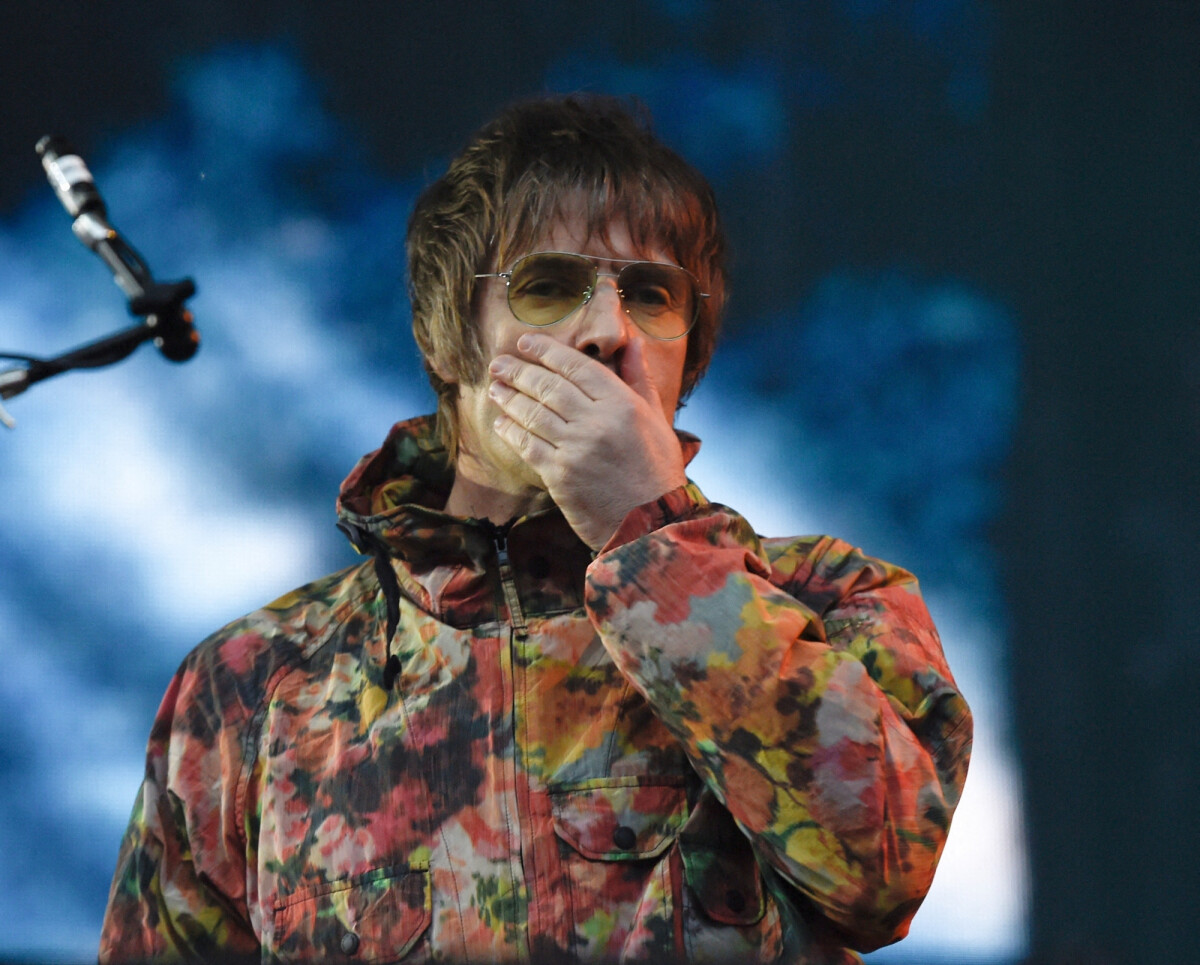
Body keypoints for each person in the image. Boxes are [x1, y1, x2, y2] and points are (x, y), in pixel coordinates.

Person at [99, 94, 971, 964]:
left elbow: (883, 873)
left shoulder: (828, 599)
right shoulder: (252, 686)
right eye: (549, 287)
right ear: (448, 337)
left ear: (689, 354)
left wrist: (652, 538)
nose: (606, 331)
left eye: (652, 295)